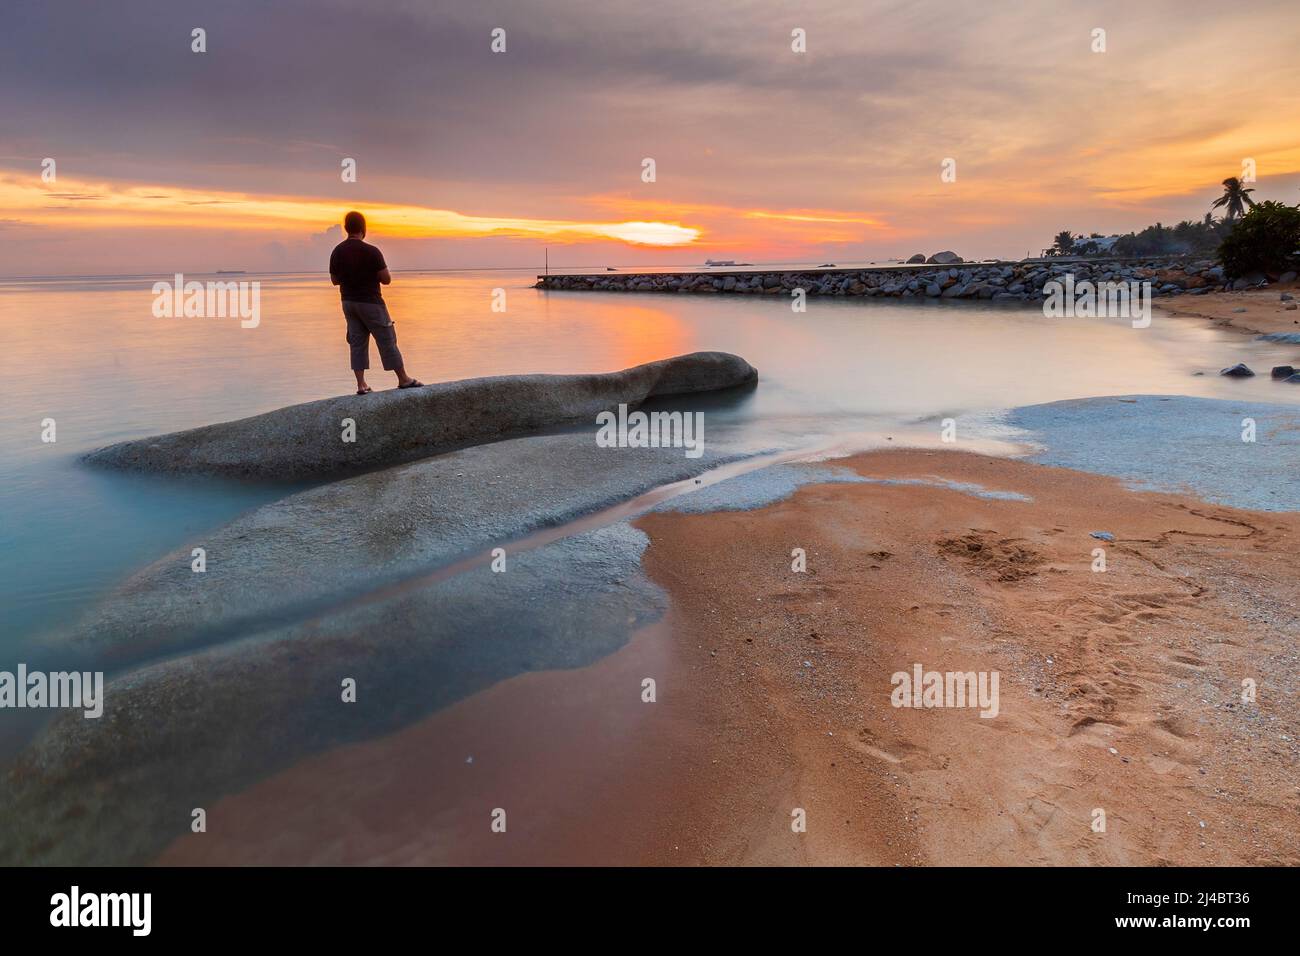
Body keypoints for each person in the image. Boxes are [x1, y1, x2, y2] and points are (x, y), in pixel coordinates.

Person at [328, 211, 423, 394]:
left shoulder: (337, 251)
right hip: (371, 302)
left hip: (348, 302)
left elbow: (334, 280)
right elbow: (386, 279)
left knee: (357, 342)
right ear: (363, 228)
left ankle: (361, 384)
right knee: (387, 339)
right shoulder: (371, 251)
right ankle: (403, 379)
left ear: (346, 228)